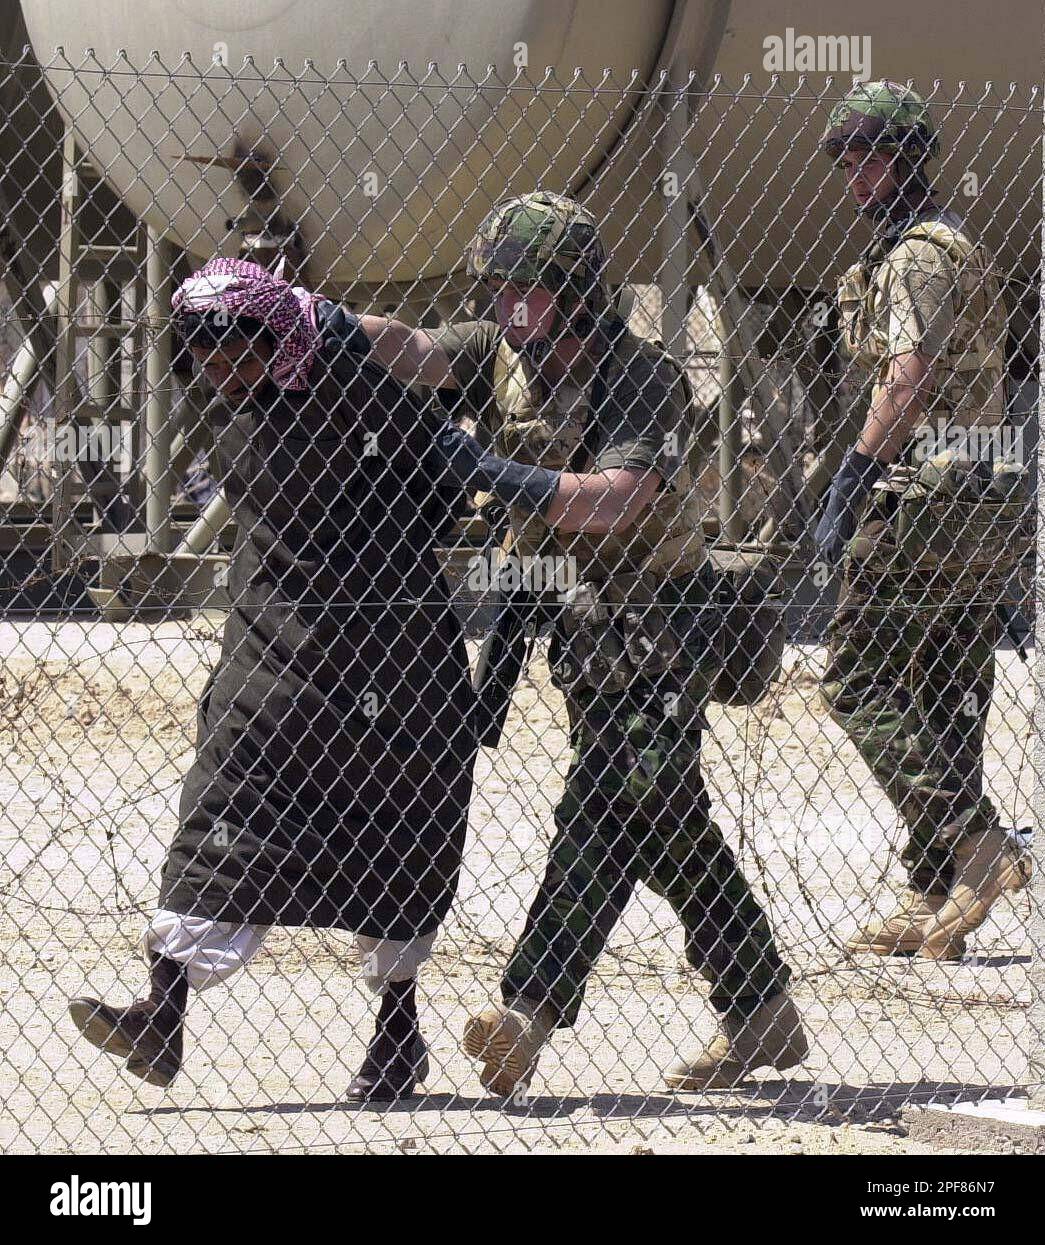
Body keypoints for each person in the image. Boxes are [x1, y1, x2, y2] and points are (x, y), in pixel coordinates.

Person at [361, 191, 805, 1096]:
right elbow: (410, 350)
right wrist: (318, 321)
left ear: (566, 291)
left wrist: (487, 470)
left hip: (666, 626)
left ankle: (526, 1010)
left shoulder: (641, 376)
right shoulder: (499, 354)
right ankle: (762, 1010)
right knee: (666, 822)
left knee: (608, 799)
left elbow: (616, 498)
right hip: (581, 630)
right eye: (496, 290)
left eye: (518, 290)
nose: (499, 307)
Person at [68, 257, 482, 1102]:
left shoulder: (334, 389)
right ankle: (162, 1010)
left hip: (381, 658)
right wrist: (343, 329)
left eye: (237, 353)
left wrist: (359, 335)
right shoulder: (274, 400)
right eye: (206, 357)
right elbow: (439, 447)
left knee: (389, 832)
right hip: (294, 652)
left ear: (277, 335)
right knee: (224, 805)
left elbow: (447, 395)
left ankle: (395, 1036)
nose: (222, 373)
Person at [815, 82, 1032, 961]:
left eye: (872, 155)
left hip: (927, 495)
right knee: (944, 691)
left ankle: (977, 846)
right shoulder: (961, 248)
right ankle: (931, 890)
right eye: (849, 159)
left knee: (856, 678)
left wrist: (848, 480)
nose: (857, 174)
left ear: (908, 158)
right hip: (986, 496)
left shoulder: (913, 258)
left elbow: (905, 378)